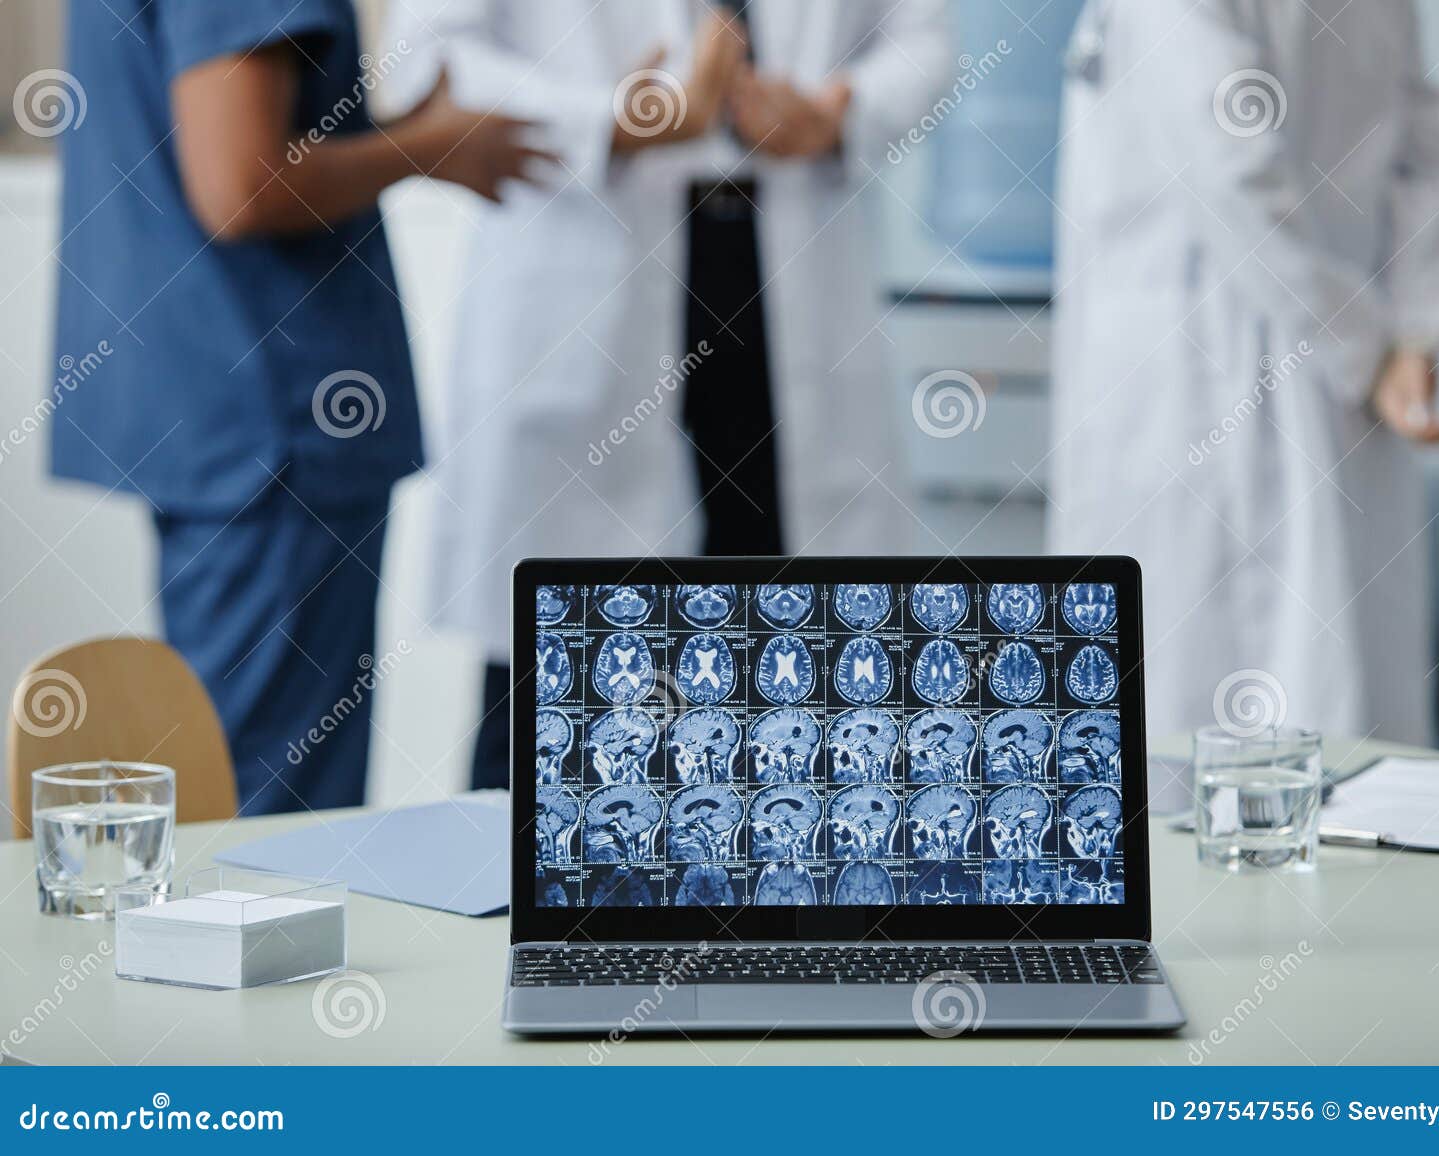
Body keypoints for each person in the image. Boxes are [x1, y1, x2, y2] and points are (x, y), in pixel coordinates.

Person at [382, 0, 952, 789]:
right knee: (556, 681)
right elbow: (426, 61)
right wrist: (614, 119)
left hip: (787, 258)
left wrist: (838, 113)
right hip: (591, 264)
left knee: (789, 673)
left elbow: (918, 36)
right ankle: (516, 898)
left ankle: (776, 902)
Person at [50, 0, 549, 813]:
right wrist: (433, 147)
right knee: (273, 826)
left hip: (216, 404)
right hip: (277, 415)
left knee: (240, 790)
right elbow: (243, 184)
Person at [1048, 0, 1439, 744]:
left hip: (1215, 377)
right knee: (1324, 709)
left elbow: (1231, 166)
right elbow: (1423, 151)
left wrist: (1386, 347)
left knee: (1199, 731)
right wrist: (1405, 337)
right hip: (1330, 368)